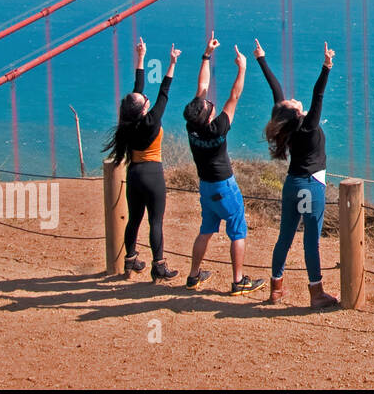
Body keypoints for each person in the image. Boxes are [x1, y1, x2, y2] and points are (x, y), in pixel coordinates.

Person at [256, 38, 339, 309]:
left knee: (285, 237)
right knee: (310, 240)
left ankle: (276, 288)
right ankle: (316, 293)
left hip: (292, 184)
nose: (290, 97)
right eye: (290, 102)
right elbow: (318, 95)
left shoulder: (289, 127)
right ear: (295, 113)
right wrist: (326, 66)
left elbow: (276, 90)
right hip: (309, 186)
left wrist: (261, 58)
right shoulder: (307, 126)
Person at [182, 36, 265, 296]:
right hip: (224, 187)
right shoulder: (218, 128)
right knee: (238, 232)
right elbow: (235, 94)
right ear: (209, 117)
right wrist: (243, 68)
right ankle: (238, 280)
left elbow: (202, 86)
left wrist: (207, 54)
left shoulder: (192, 124)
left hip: (206, 187)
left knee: (206, 231)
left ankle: (194, 276)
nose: (210, 103)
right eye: (209, 107)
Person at [101, 37, 180, 282]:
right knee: (155, 221)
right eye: (144, 100)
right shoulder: (151, 121)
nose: (145, 97)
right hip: (152, 174)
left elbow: (138, 91)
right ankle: (159, 265)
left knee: (134, 219)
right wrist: (172, 63)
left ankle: (130, 259)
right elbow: (164, 92)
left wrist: (141, 58)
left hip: (133, 174)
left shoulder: (127, 121)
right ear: (144, 109)